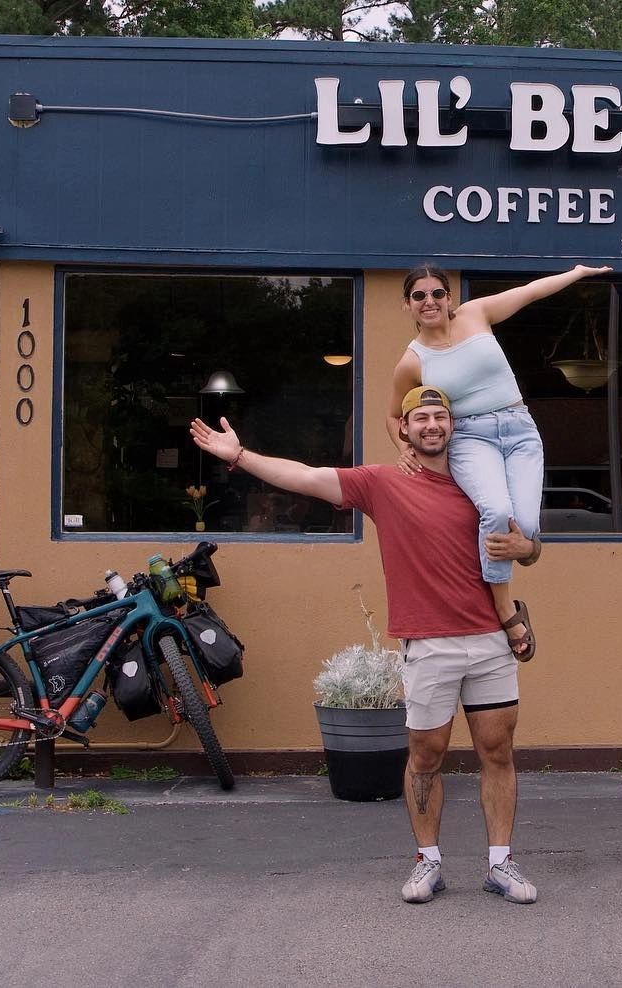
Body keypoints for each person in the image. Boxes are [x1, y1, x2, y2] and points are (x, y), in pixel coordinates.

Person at [190, 386, 540, 906]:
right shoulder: (383, 482)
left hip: (489, 639)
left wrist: (529, 549)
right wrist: (239, 457)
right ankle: (428, 862)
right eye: (419, 418)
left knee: (498, 751)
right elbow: (308, 477)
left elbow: (527, 544)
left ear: (452, 425)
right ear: (404, 428)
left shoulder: (483, 483)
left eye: (439, 417)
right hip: (429, 645)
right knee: (426, 756)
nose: (431, 426)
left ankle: (500, 862)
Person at [389, 262, 611, 662]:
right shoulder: (413, 361)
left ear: (449, 297)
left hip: (520, 428)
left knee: (524, 530)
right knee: (496, 512)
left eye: (437, 293)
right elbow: (393, 416)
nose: (430, 301)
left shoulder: (476, 314)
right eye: (419, 296)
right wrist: (402, 447)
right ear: (407, 305)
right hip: (471, 438)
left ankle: (503, 585)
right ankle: (507, 613)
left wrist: (576, 273)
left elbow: (530, 291)